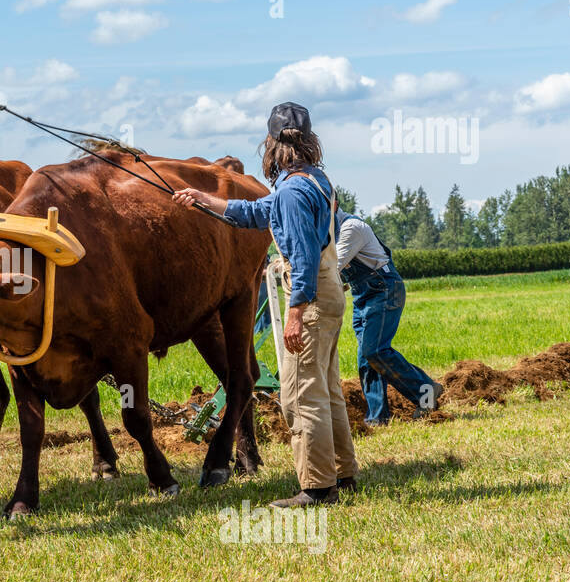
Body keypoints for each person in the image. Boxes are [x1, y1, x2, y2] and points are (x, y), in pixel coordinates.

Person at [173, 101, 357, 507]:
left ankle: (316, 487)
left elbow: (304, 257)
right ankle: (343, 475)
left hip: (308, 295)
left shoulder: (291, 191)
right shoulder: (314, 181)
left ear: (272, 147)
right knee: (326, 388)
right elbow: (255, 212)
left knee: (299, 395)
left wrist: (294, 312)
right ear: (309, 143)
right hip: (329, 290)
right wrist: (202, 199)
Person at [335, 208, 444, 424]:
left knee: (374, 350)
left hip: (383, 289)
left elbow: (330, 268)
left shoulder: (350, 228)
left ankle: (426, 391)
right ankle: (377, 418)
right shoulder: (330, 231)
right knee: (366, 358)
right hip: (363, 293)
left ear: (332, 205)